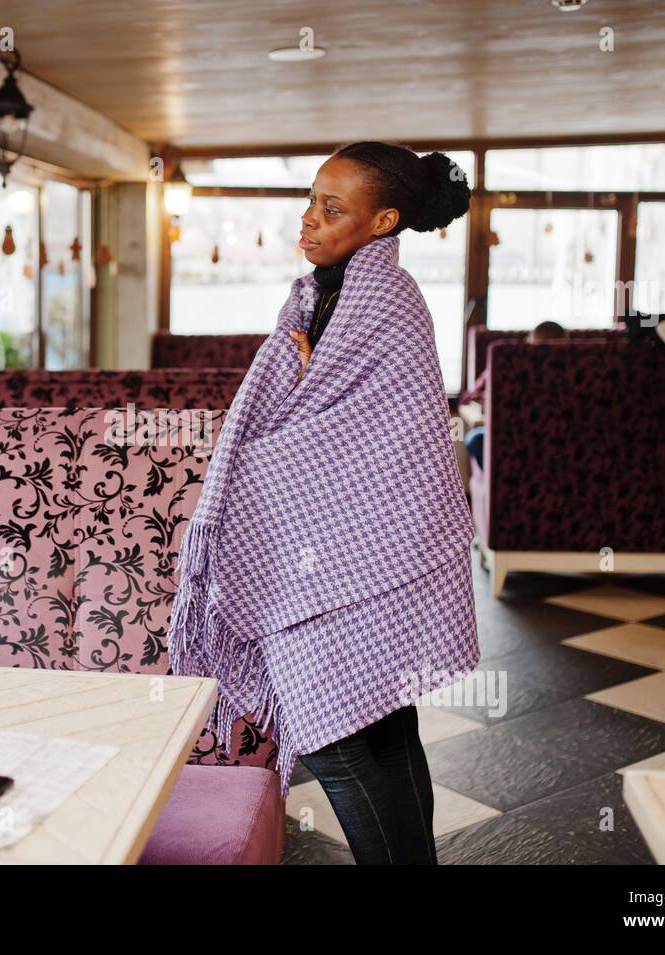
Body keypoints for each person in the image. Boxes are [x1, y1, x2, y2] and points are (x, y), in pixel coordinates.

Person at [168, 141, 478, 864]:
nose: (309, 219)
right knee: (389, 733)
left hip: (359, 563)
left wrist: (293, 400)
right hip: (336, 563)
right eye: (310, 199)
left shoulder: (385, 301)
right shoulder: (319, 292)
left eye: (332, 209)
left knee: (338, 743)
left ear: (383, 220)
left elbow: (366, 439)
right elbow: (305, 412)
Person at [459, 321, 569, 468]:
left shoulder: (572, 367)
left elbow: (468, 397)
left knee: (476, 438)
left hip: (544, 437)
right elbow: (469, 397)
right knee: (476, 438)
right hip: (519, 436)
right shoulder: (508, 362)